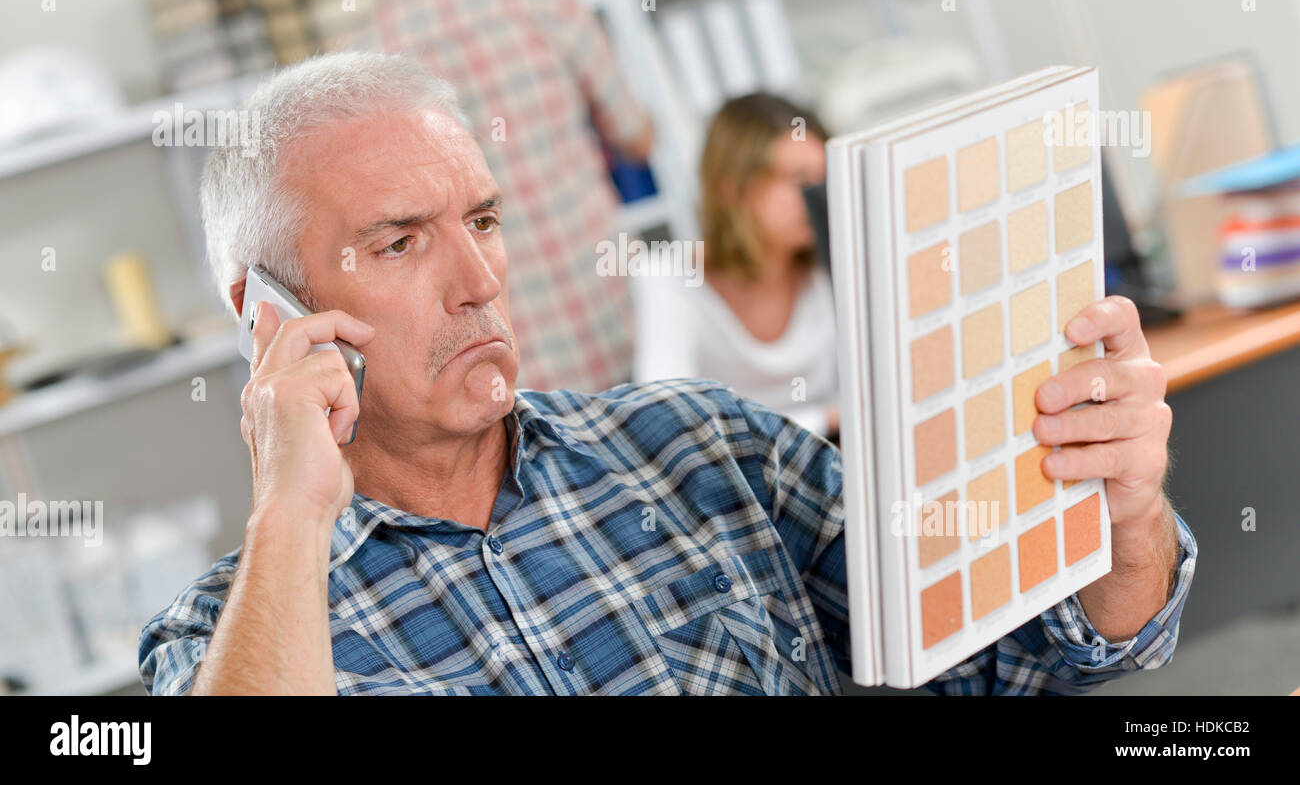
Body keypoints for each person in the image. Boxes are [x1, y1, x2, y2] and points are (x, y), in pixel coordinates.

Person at [140, 52, 1195, 695]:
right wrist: (289, 512)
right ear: (268, 314)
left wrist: (1124, 512)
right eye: (399, 243)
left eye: (484, 221)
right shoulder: (220, 632)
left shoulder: (702, 450)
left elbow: (1044, 659)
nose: (476, 282)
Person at [338, 0, 654, 392]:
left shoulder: (356, 72)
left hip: (495, 358)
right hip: (619, 322)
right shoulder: (550, 11)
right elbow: (638, 139)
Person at [634, 93, 839, 439]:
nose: (819, 195)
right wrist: (825, 419)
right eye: (800, 179)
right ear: (732, 189)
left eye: (823, 178)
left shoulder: (830, 263)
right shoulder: (669, 278)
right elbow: (663, 423)